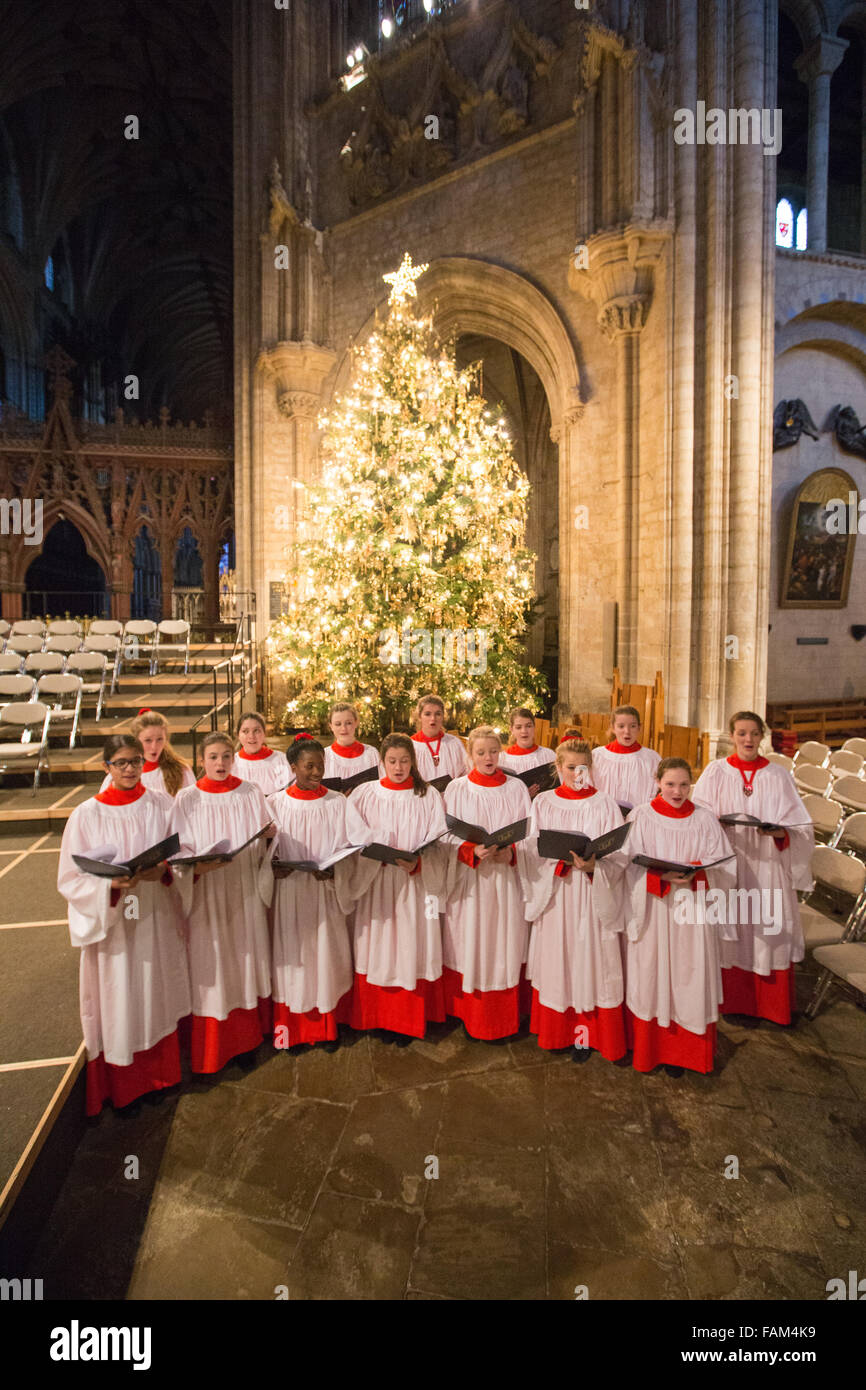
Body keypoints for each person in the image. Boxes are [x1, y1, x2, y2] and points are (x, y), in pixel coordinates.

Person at [57, 734, 190, 1115]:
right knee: (122, 995)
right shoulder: (87, 814)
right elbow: (69, 878)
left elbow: (180, 851)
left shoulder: (162, 804)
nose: (130, 769)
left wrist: (163, 871)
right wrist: (109, 885)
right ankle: (126, 1085)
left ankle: (161, 1077)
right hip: (115, 922)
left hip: (153, 913)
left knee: (154, 988)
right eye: (121, 763)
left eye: (135, 761)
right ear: (107, 768)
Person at [594, 757, 736, 1075]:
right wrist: (660, 879)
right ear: (657, 782)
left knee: (689, 973)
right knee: (651, 973)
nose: (677, 791)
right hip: (654, 909)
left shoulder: (704, 818)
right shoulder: (642, 816)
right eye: (670, 784)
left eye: (684, 785)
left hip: (692, 910)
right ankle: (650, 1048)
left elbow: (725, 865)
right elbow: (624, 865)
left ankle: (683, 1052)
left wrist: (695, 876)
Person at [692, 711, 814, 1025]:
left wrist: (780, 832)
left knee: (765, 928)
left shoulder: (779, 775)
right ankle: (733, 1000)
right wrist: (714, 824)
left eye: (754, 734)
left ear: (762, 736)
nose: (748, 740)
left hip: (768, 863)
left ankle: (770, 1006)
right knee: (732, 925)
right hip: (729, 863)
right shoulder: (716, 771)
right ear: (732, 736)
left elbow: (801, 824)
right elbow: (699, 815)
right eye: (741, 733)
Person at [173, 731, 275, 1073]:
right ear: (201, 761)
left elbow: (263, 836)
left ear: (234, 758)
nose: (220, 763)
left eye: (225, 757)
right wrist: (196, 866)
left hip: (243, 886)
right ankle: (213, 1045)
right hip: (206, 892)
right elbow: (178, 851)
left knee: (243, 959)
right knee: (212, 962)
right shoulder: (187, 799)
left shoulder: (249, 792)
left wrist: (269, 837)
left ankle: (245, 1041)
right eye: (213, 757)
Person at [339, 733, 448, 1043]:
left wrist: (419, 863)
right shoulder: (364, 794)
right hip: (377, 882)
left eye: (404, 761)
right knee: (379, 946)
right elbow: (352, 837)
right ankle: (377, 1015)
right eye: (392, 761)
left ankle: (407, 1019)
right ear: (381, 762)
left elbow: (439, 842)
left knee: (413, 944)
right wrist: (372, 854)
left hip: (415, 885)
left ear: (413, 762)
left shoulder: (427, 796)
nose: (398, 767)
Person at [524, 739, 626, 1061]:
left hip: (591, 896)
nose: (578, 774)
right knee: (559, 961)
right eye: (571, 768)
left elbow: (621, 854)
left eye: (584, 768)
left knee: (588, 962)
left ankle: (584, 1037)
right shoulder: (543, 802)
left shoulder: (606, 804)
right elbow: (530, 849)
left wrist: (596, 866)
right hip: (557, 894)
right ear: (558, 768)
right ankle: (557, 1033)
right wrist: (555, 863)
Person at [441, 725, 532, 1040]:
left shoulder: (517, 788)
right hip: (472, 879)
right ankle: (471, 1015)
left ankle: (504, 1019)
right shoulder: (457, 789)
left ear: (501, 752)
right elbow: (446, 836)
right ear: (470, 755)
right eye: (480, 752)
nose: (488, 757)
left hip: (505, 879)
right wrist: (471, 849)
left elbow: (531, 833)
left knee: (505, 941)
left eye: (493, 751)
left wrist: (512, 853)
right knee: (472, 941)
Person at [269, 737, 354, 1050]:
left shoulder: (337, 802)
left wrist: (337, 868)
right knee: (295, 958)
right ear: (293, 768)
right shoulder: (276, 803)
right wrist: (274, 866)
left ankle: (328, 1029)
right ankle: (292, 1032)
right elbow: (264, 854)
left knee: (326, 955)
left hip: (325, 891)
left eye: (321, 764)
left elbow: (353, 845)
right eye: (309, 766)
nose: (317, 771)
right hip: (290, 892)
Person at [98, 709, 194, 798]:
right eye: (148, 740)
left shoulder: (181, 769)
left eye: (159, 739)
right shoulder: (120, 773)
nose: (154, 746)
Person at [591, 705, 659, 812]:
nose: (627, 731)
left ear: (639, 727)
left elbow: (658, 791)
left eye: (632, 726)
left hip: (639, 819)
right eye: (621, 726)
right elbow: (589, 788)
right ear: (613, 728)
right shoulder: (597, 756)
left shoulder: (652, 759)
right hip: (604, 816)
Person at [498, 707, 557, 798]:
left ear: (534, 727)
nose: (524, 731)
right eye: (518, 727)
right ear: (511, 729)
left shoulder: (549, 755)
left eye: (528, 726)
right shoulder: (502, 759)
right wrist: (524, 796)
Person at [410, 693, 469, 784]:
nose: (433, 719)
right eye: (427, 714)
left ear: (443, 716)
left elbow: (466, 773)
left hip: (450, 796)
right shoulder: (411, 746)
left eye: (438, 714)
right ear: (419, 717)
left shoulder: (454, 743)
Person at [232, 710, 292, 795]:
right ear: (238, 735)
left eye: (256, 731)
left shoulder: (281, 760)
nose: (251, 736)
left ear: (264, 733)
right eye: (245, 731)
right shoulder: (232, 764)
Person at [323, 702, 380, 790]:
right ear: (331, 726)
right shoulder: (324, 756)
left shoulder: (371, 753)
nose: (343, 729)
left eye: (348, 723)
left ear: (356, 722)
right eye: (338, 724)